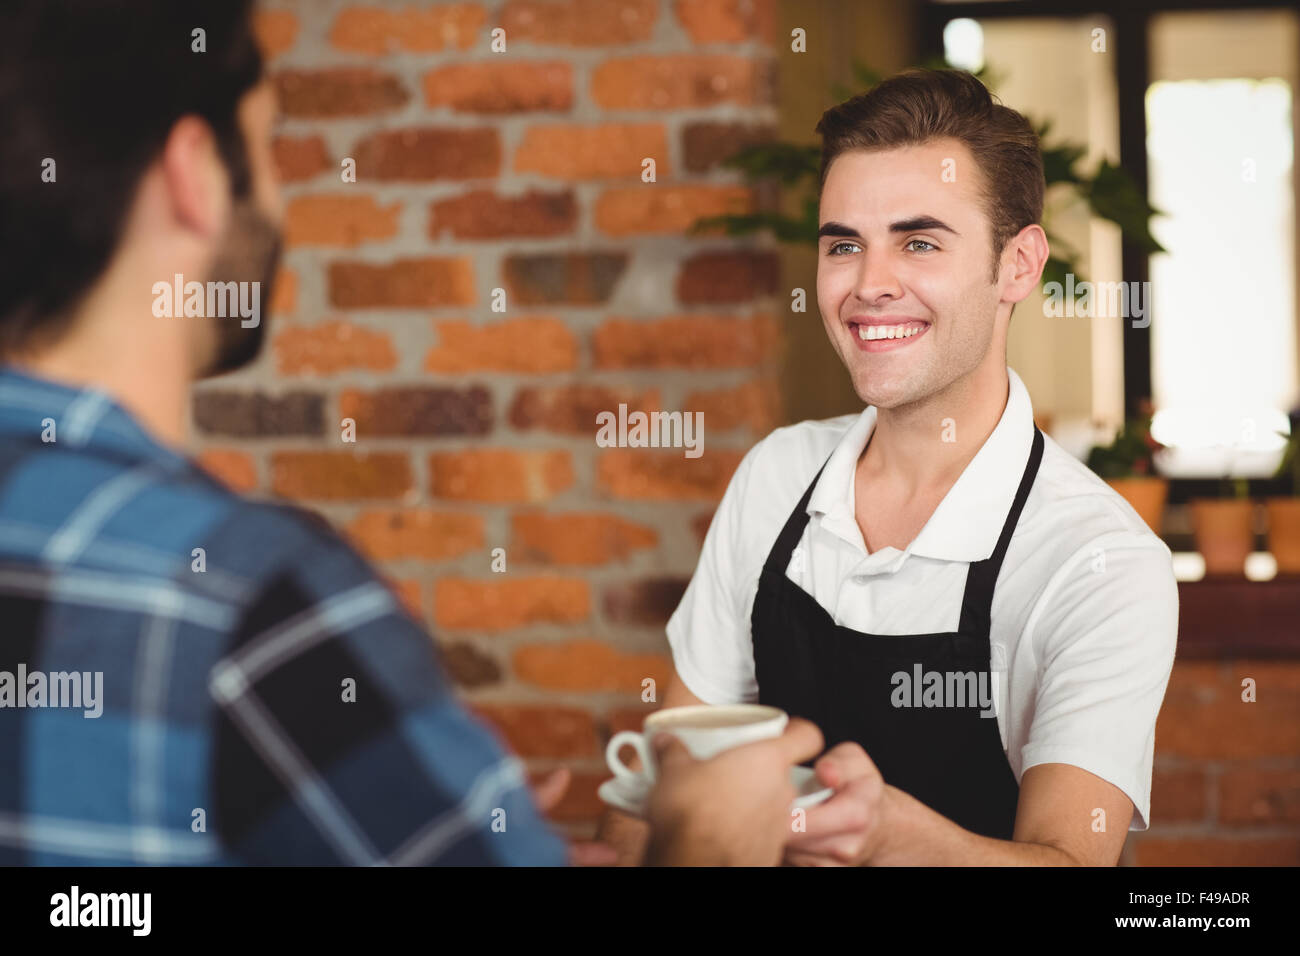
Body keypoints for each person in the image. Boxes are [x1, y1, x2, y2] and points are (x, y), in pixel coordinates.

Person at [0, 0, 825, 867]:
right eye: (271, 149)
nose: (281, 204)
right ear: (194, 174)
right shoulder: (252, 600)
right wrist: (712, 836)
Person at [601, 69, 1179, 866]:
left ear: (1018, 264)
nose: (869, 286)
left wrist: (893, 843)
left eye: (918, 242)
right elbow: (656, 788)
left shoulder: (1098, 561)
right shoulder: (777, 476)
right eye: (844, 245)